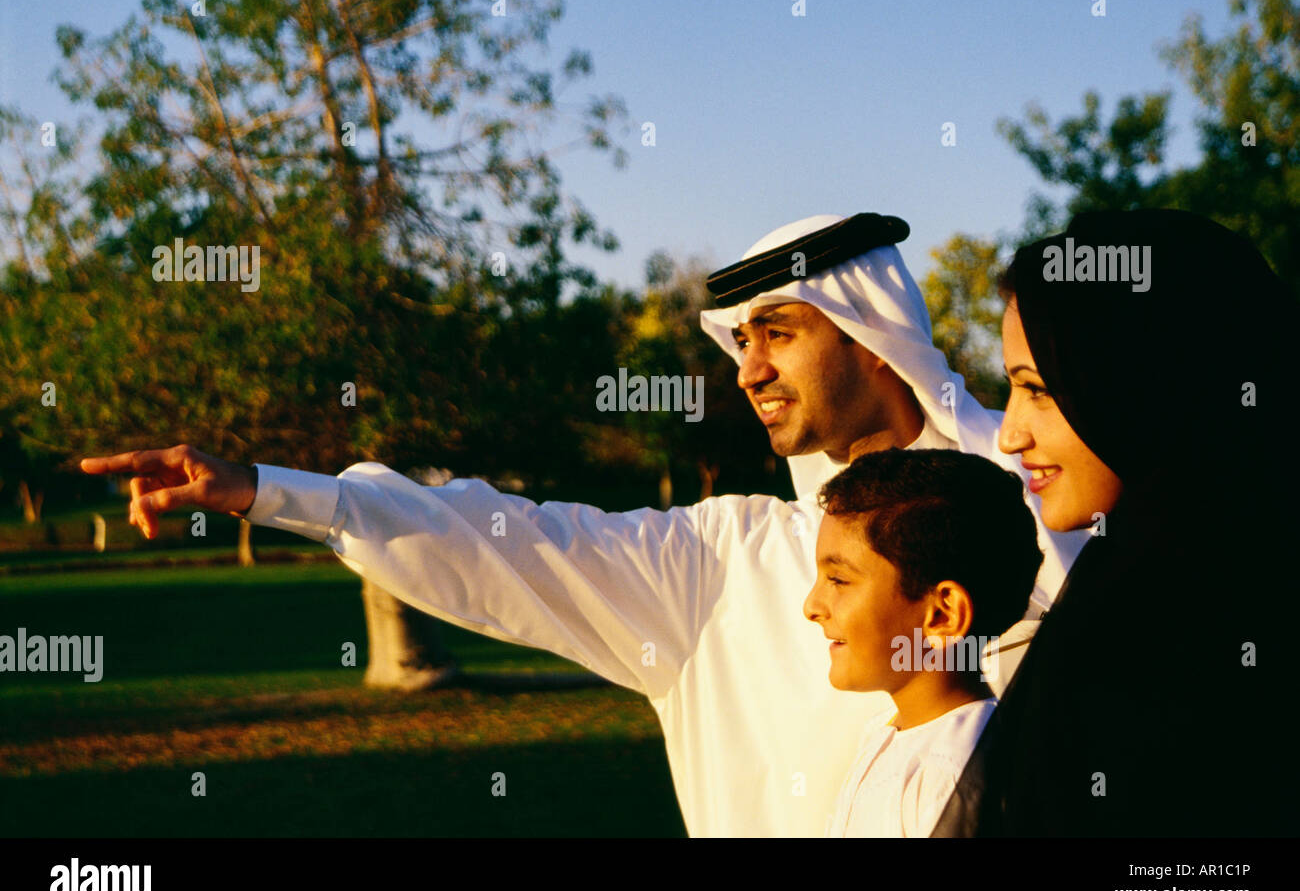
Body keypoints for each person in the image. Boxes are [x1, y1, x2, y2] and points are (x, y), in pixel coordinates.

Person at [82, 212, 1085, 837]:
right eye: (739, 342)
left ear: (874, 341)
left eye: (777, 333)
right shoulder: (724, 560)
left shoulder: (1052, 513)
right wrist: (269, 488)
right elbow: (503, 539)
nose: (747, 371)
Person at [931, 208, 1296, 837]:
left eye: (1039, 388)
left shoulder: (1161, 644)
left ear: (1143, 382)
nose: (1011, 434)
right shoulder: (1132, 589)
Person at [806, 448, 1045, 837]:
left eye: (838, 580)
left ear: (942, 615)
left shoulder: (955, 773)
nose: (811, 606)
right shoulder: (886, 737)